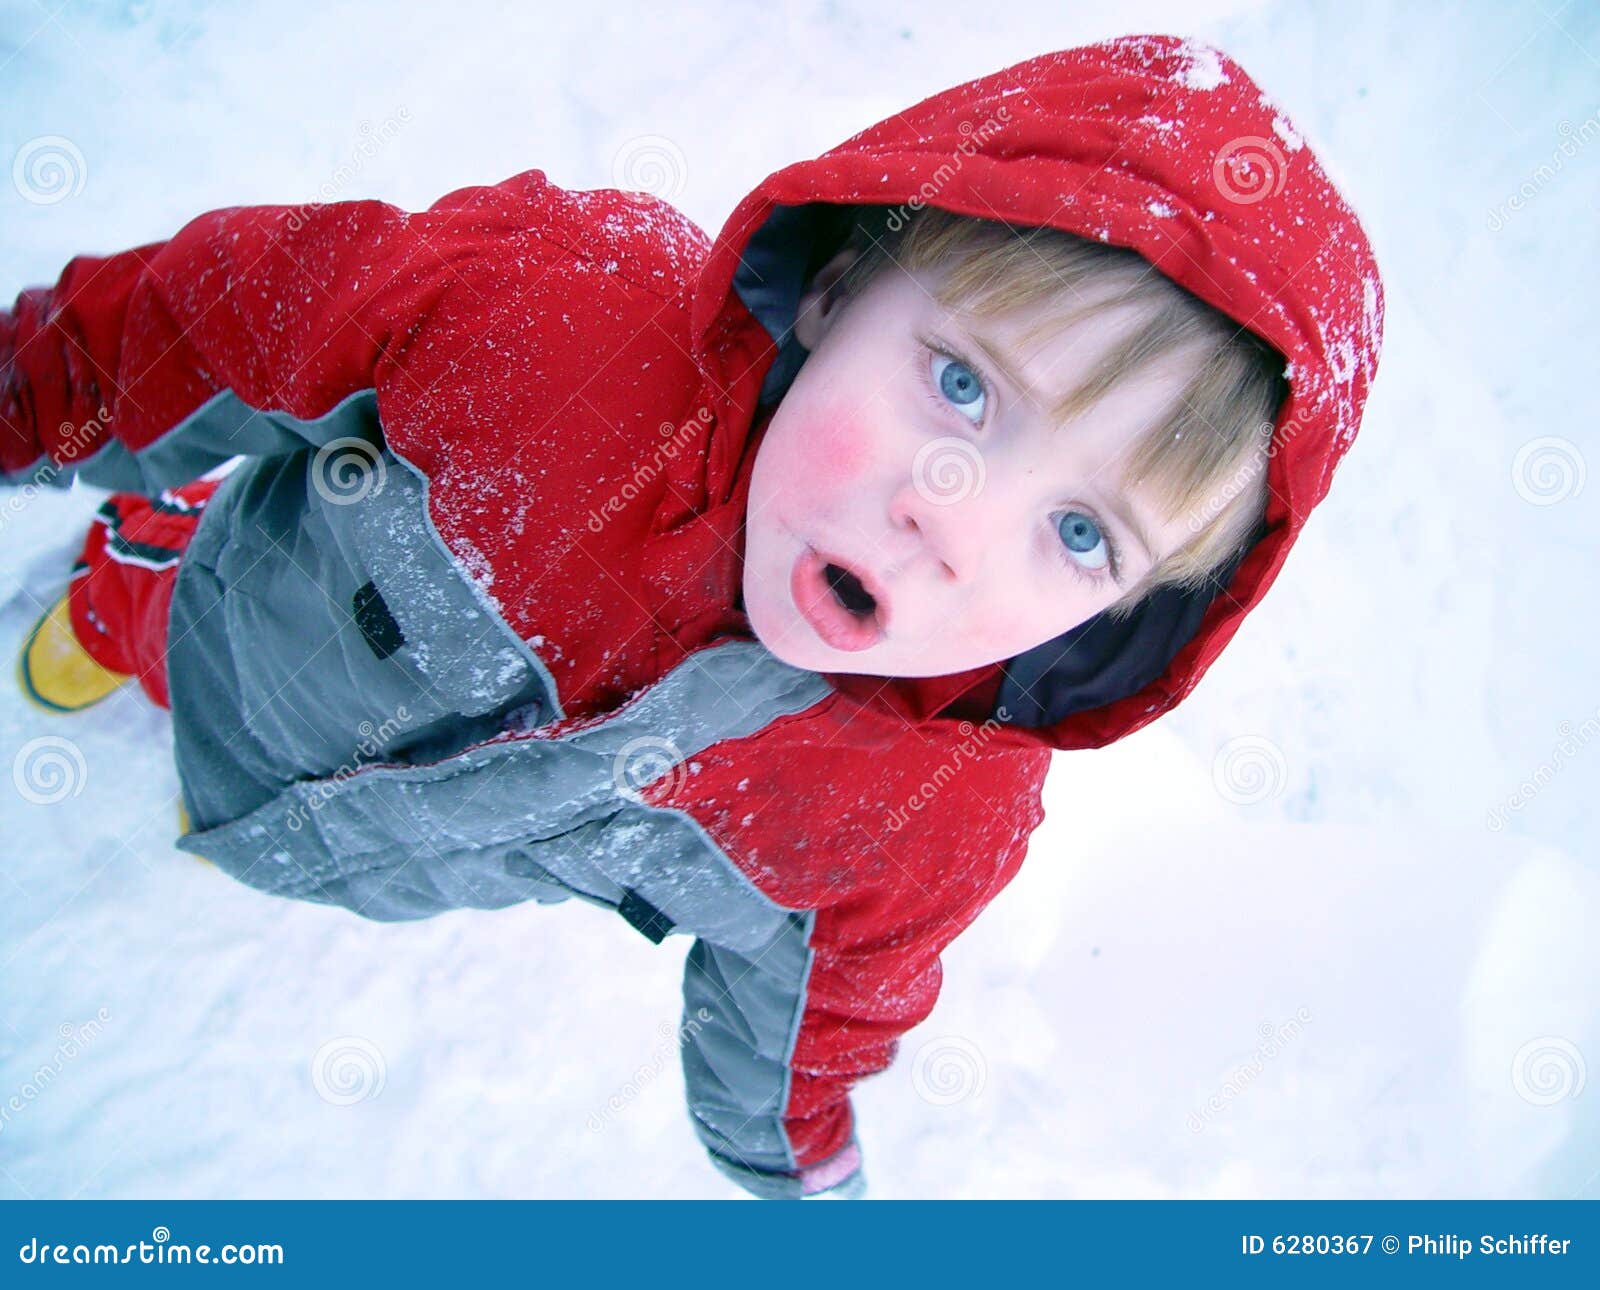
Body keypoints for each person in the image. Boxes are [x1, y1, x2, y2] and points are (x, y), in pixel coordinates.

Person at [1, 34, 1384, 1199]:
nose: (950, 521)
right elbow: (198, 327)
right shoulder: (546, 324)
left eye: (1081, 532)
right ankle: (126, 570)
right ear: (838, 290)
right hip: (247, 621)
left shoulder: (927, 824)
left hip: (389, 861)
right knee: (153, 616)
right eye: (962, 386)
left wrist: (797, 1180)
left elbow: (807, 1019)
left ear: (1132, 614)